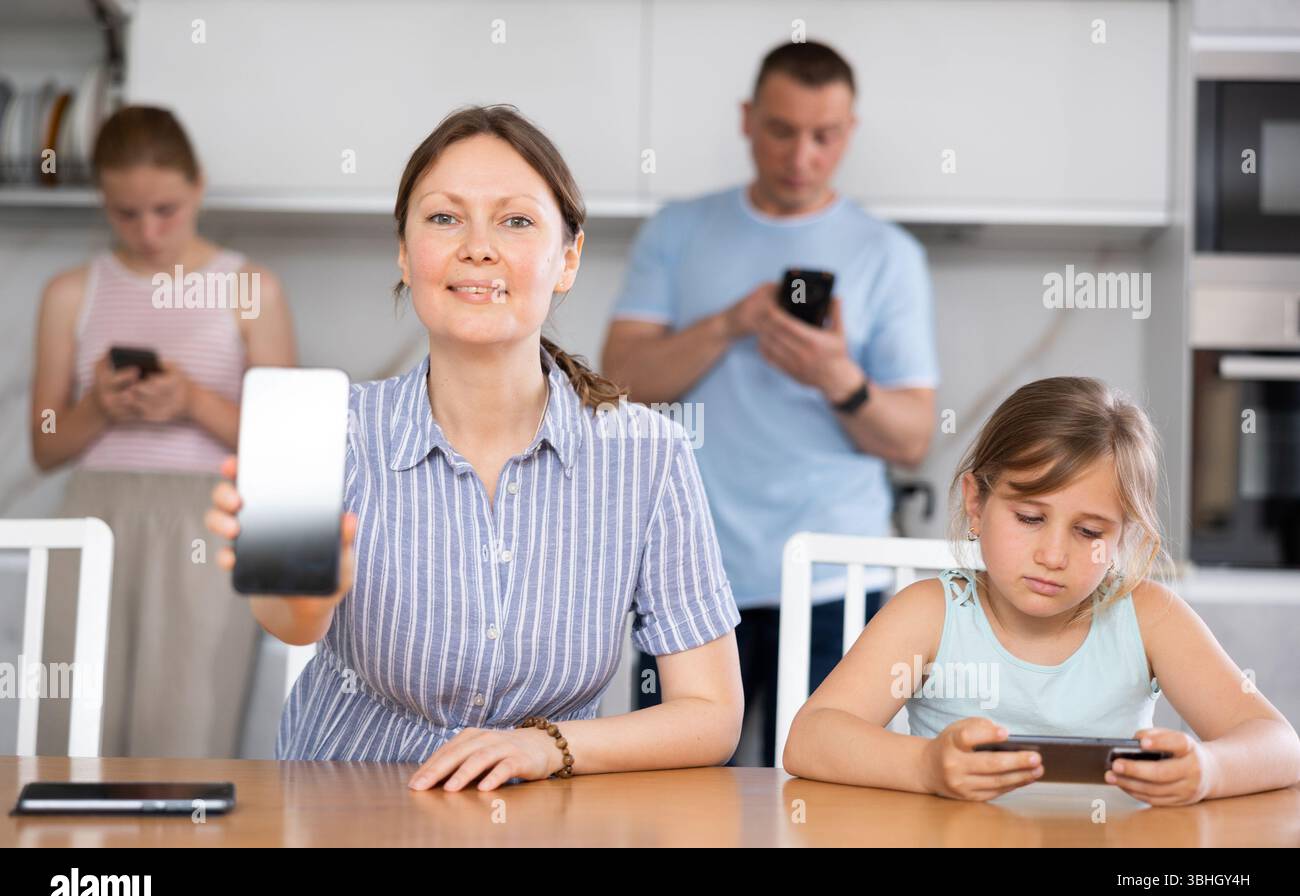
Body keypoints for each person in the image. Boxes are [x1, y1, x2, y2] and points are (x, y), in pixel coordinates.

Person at [205, 105, 744, 791]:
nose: (478, 246)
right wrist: (305, 588)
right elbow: (293, 626)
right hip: (348, 812)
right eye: (443, 218)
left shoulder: (648, 455)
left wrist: (546, 747)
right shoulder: (332, 430)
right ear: (405, 252)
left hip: (543, 822)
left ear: (567, 259)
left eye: (516, 221)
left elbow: (711, 715)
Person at [602, 41, 938, 765]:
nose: (802, 157)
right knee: (672, 793)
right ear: (748, 120)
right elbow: (620, 380)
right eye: (783, 131)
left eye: (825, 136)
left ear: (850, 131)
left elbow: (912, 438)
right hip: (689, 574)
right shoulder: (678, 230)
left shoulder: (889, 255)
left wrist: (837, 378)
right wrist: (729, 324)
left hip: (833, 580)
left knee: (831, 792)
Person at [783, 377, 1300, 804]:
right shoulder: (930, 613)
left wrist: (1209, 769)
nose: (1054, 556)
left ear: (1124, 537)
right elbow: (810, 739)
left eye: (1090, 532)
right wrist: (925, 766)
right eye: (1030, 517)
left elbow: (1280, 745)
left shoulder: (1150, 617)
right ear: (977, 503)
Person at [30, 105, 297, 757]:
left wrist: (191, 403)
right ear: (103, 201)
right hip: (92, 517)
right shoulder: (72, 291)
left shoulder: (250, 287)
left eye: (166, 210)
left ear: (198, 185)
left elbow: (286, 447)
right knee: (70, 730)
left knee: (184, 732)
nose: (148, 232)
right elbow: (44, 446)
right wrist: (99, 408)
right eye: (126, 213)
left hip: (205, 520)